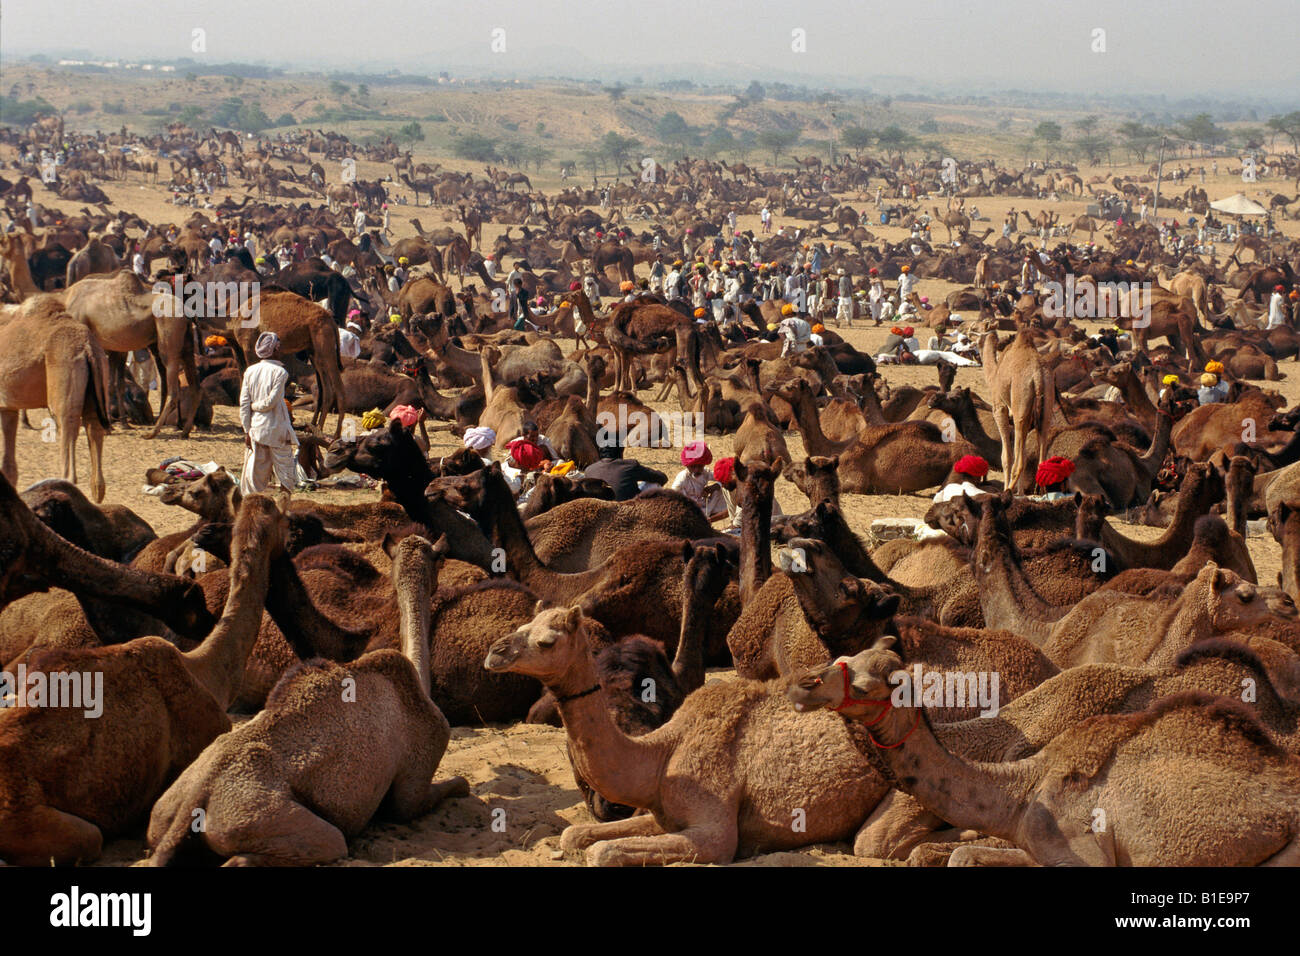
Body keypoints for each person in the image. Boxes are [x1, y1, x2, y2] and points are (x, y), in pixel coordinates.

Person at [239, 332, 299, 495]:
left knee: (255, 475)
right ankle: (284, 506)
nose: (281, 350)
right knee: (286, 472)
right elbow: (271, 401)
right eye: (278, 347)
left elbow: (244, 404)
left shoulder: (250, 371)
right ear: (274, 350)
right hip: (277, 428)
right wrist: (256, 406)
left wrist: (247, 430)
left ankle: (252, 509)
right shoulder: (281, 373)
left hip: (256, 429)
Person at [584, 441, 668, 501]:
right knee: (653, 482)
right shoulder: (629, 465)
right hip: (627, 507)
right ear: (620, 452)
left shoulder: (589, 470)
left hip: (599, 509)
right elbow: (661, 478)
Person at [669, 441, 728, 520]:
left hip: (705, 506)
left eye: (700, 466)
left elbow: (724, 477)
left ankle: (708, 516)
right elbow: (672, 494)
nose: (696, 470)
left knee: (724, 489)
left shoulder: (705, 472)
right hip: (689, 509)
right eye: (693, 466)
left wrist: (715, 486)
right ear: (687, 465)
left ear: (704, 464)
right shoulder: (683, 477)